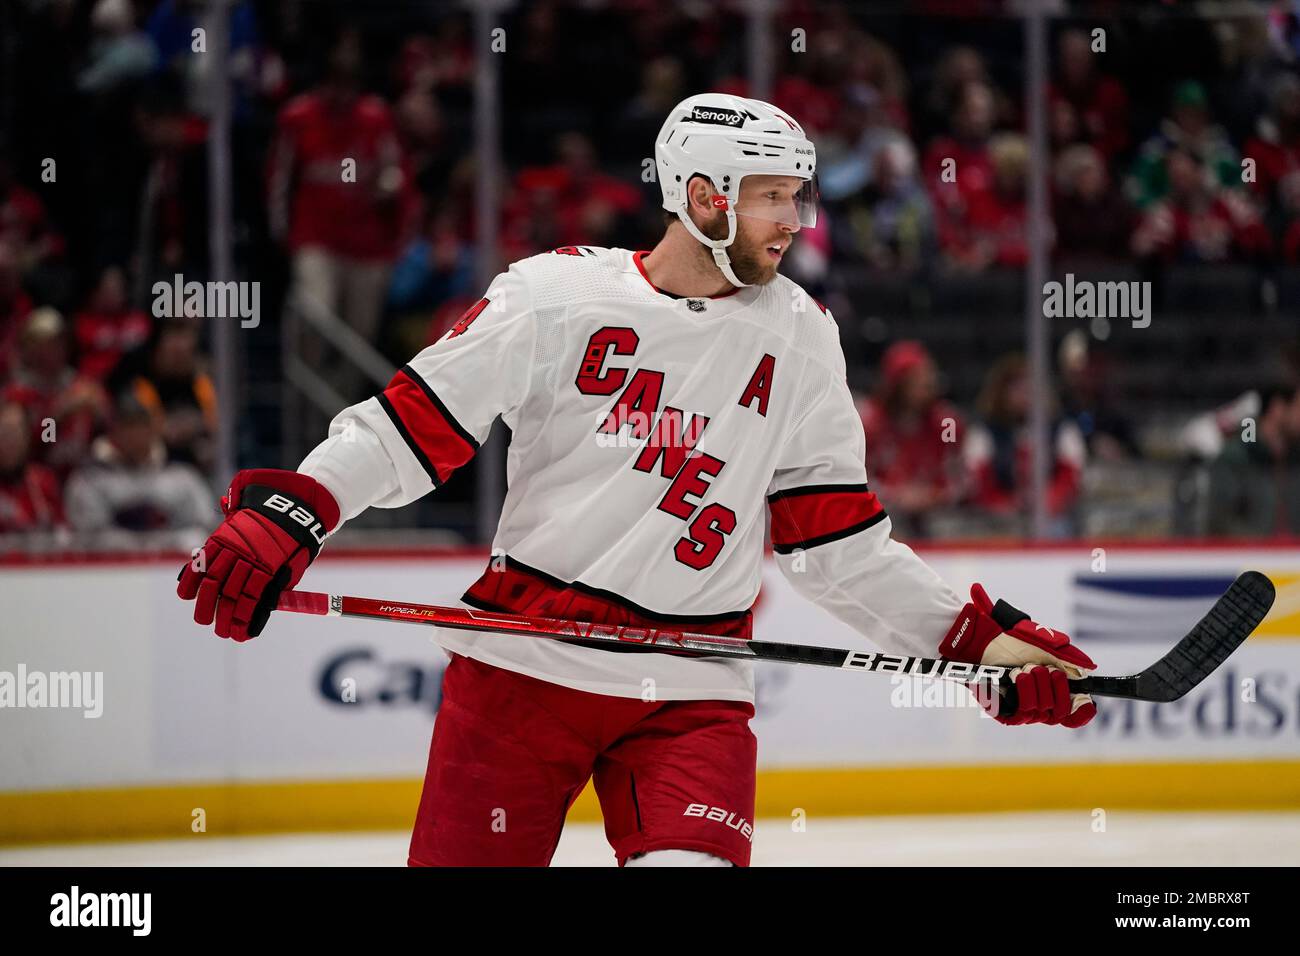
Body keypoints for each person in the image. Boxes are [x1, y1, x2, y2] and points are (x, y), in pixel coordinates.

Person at [178, 94, 1098, 869]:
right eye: (773, 198)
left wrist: (973, 640)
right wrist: (301, 509)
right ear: (702, 198)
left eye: (797, 197)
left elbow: (835, 548)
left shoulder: (802, 334)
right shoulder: (553, 297)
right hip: (522, 669)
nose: (796, 219)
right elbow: (411, 428)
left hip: (691, 689)